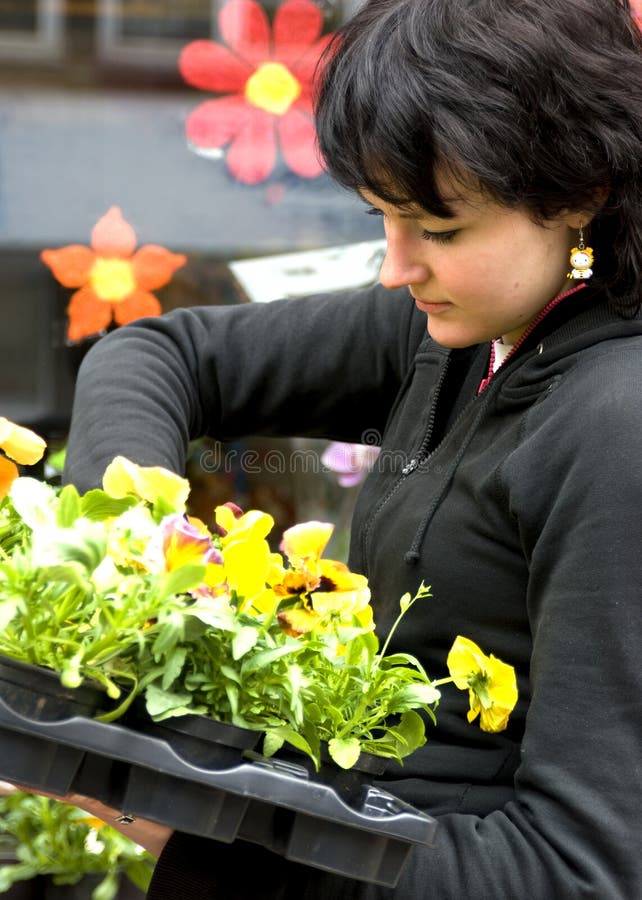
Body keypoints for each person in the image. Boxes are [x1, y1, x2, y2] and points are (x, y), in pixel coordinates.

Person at [58, 0, 642, 897]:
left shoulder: (616, 425)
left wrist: (207, 842)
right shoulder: (470, 326)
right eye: (381, 214)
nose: (394, 266)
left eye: (439, 230)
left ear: (583, 193)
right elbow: (156, 353)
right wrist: (135, 545)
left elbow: (577, 875)